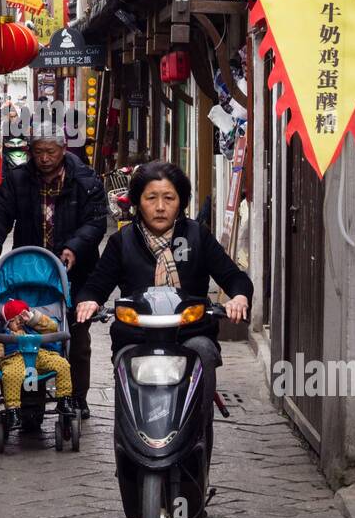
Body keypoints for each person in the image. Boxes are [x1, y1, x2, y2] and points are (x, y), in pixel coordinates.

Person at [74, 161, 251, 431]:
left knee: (203, 352)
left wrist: (239, 297)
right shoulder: (122, 241)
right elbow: (95, 286)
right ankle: (128, 447)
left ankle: (199, 436)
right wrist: (89, 301)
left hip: (191, 333)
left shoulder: (197, 236)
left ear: (181, 201)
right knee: (127, 376)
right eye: (151, 198)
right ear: (137, 202)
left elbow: (234, 277)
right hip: (136, 336)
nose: (160, 207)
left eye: (169, 198)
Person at [0, 127, 107, 416]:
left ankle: (76, 396)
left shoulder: (86, 181)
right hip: (32, 274)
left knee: (75, 334)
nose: (45, 158)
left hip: (76, 271)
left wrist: (75, 247)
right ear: (30, 152)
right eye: (39, 152)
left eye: (50, 152)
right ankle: (29, 399)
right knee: (28, 331)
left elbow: (96, 221)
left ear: (64, 150)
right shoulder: (17, 180)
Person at [0, 299, 73, 412]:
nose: (19, 323)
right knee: (10, 375)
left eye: (21, 319)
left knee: (62, 364)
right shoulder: (5, 337)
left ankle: (64, 399)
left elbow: (52, 327)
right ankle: (13, 409)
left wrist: (33, 319)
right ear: (7, 324)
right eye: (14, 320)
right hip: (15, 359)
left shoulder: (34, 328)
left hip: (40, 356)